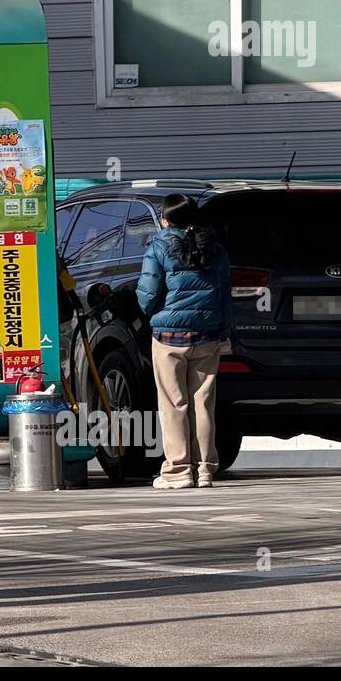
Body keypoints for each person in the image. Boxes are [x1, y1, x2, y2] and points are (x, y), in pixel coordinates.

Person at [136, 193, 233, 490]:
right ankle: (205, 470)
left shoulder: (160, 245)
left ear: (166, 219)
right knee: (203, 404)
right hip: (207, 336)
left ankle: (178, 471)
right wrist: (223, 331)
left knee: (173, 404)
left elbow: (149, 294)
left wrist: (147, 312)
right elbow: (225, 294)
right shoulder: (215, 248)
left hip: (169, 338)